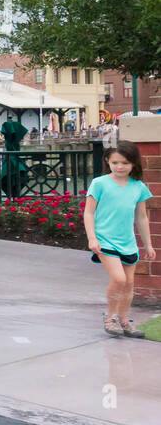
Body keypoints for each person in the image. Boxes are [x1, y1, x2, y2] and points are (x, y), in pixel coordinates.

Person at [84, 141, 154, 338]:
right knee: (119, 279)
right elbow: (89, 213)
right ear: (108, 161)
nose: (120, 167)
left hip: (128, 243)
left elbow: (141, 217)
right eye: (115, 162)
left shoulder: (138, 187)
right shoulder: (99, 184)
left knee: (129, 284)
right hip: (105, 241)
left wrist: (147, 244)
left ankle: (124, 320)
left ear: (133, 164)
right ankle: (110, 316)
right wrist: (92, 238)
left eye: (125, 163)